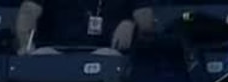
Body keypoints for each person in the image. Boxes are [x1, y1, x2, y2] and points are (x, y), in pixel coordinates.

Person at [15, 0, 157, 55]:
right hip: (58, 50)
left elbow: (146, 22)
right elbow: (28, 10)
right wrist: (25, 44)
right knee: (42, 56)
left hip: (107, 50)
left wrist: (132, 24)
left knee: (106, 56)